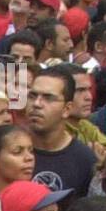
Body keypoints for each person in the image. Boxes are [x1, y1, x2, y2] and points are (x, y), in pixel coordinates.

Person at [24, 66, 97, 200]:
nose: (37, 104)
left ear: (67, 109)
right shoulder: (8, 150)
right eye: (32, 96)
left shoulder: (85, 160)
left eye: (48, 98)